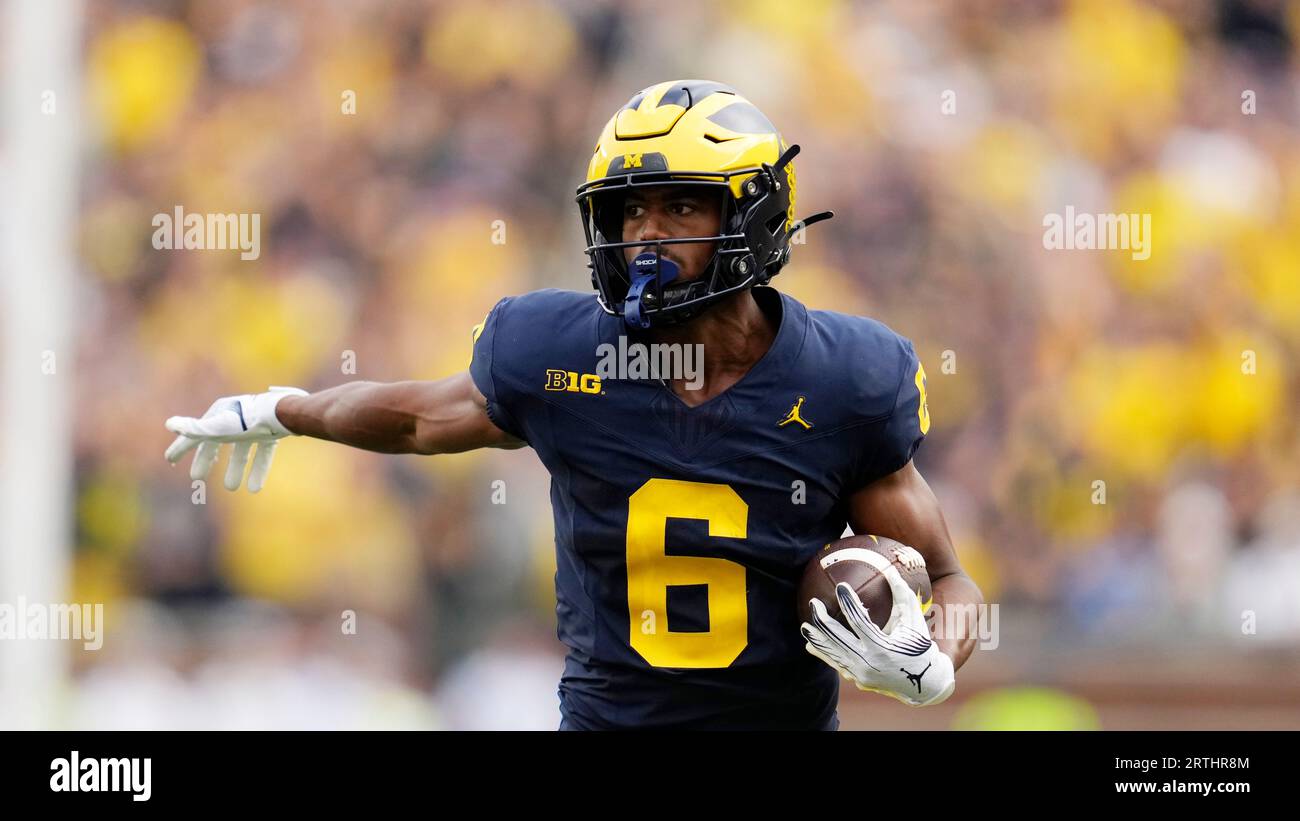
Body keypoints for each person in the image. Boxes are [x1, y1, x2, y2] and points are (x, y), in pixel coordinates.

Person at [164, 80, 983, 730]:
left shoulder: (847, 379)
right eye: (630, 210)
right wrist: (290, 409)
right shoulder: (558, 352)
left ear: (755, 211)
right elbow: (417, 417)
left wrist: (931, 667)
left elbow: (950, 579)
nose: (647, 235)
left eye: (681, 206)